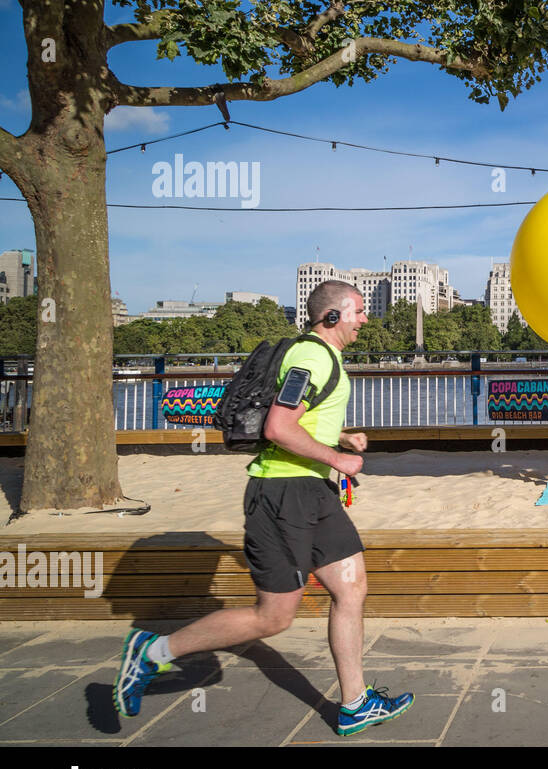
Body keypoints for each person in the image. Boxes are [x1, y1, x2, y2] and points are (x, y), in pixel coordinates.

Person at [112, 280, 413, 737]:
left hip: (311, 493)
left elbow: (301, 420)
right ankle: (152, 652)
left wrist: (340, 437)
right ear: (331, 317)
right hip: (282, 495)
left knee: (351, 588)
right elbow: (278, 426)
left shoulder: (323, 357)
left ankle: (355, 704)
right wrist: (337, 458)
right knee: (273, 617)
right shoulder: (312, 356)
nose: (364, 320)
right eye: (357, 311)